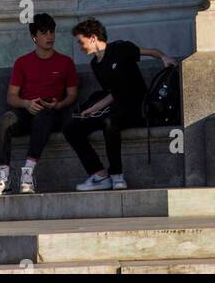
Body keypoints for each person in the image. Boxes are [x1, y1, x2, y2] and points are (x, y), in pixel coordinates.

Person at [63, 20, 176, 190]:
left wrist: (164, 58)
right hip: (115, 108)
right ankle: (99, 175)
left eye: (81, 41)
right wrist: (91, 110)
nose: (80, 46)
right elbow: (112, 94)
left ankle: (117, 176)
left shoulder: (120, 49)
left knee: (110, 122)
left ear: (93, 38)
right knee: (71, 128)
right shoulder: (95, 64)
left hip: (137, 108)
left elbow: (151, 51)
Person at [0, 14, 79, 194]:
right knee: (3, 121)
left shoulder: (65, 62)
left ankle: (27, 175)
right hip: (26, 111)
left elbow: (72, 95)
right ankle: (3, 177)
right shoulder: (22, 62)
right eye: (44, 33)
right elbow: (11, 97)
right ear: (34, 37)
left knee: (44, 116)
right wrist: (27, 103)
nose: (49, 37)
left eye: (51, 32)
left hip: (51, 113)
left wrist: (59, 104)